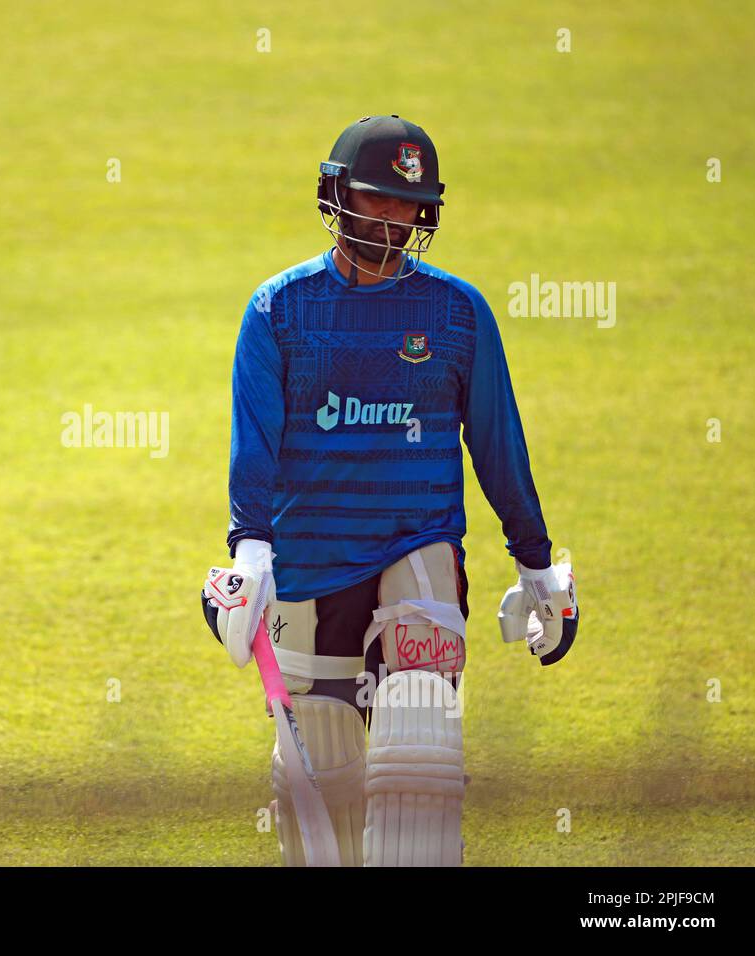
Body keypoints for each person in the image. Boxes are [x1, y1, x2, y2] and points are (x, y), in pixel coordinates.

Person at [202, 115, 578, 866]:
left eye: (408, 206)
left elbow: (498, 443)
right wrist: (250, 553)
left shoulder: (457, 313)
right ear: (334, 197)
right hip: (309, 560)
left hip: (417, 540)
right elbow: (256, 449)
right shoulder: (278, 310)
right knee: (326, 786)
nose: (393, 220)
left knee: (418, 748)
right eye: (376, 201)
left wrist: (536, 565)